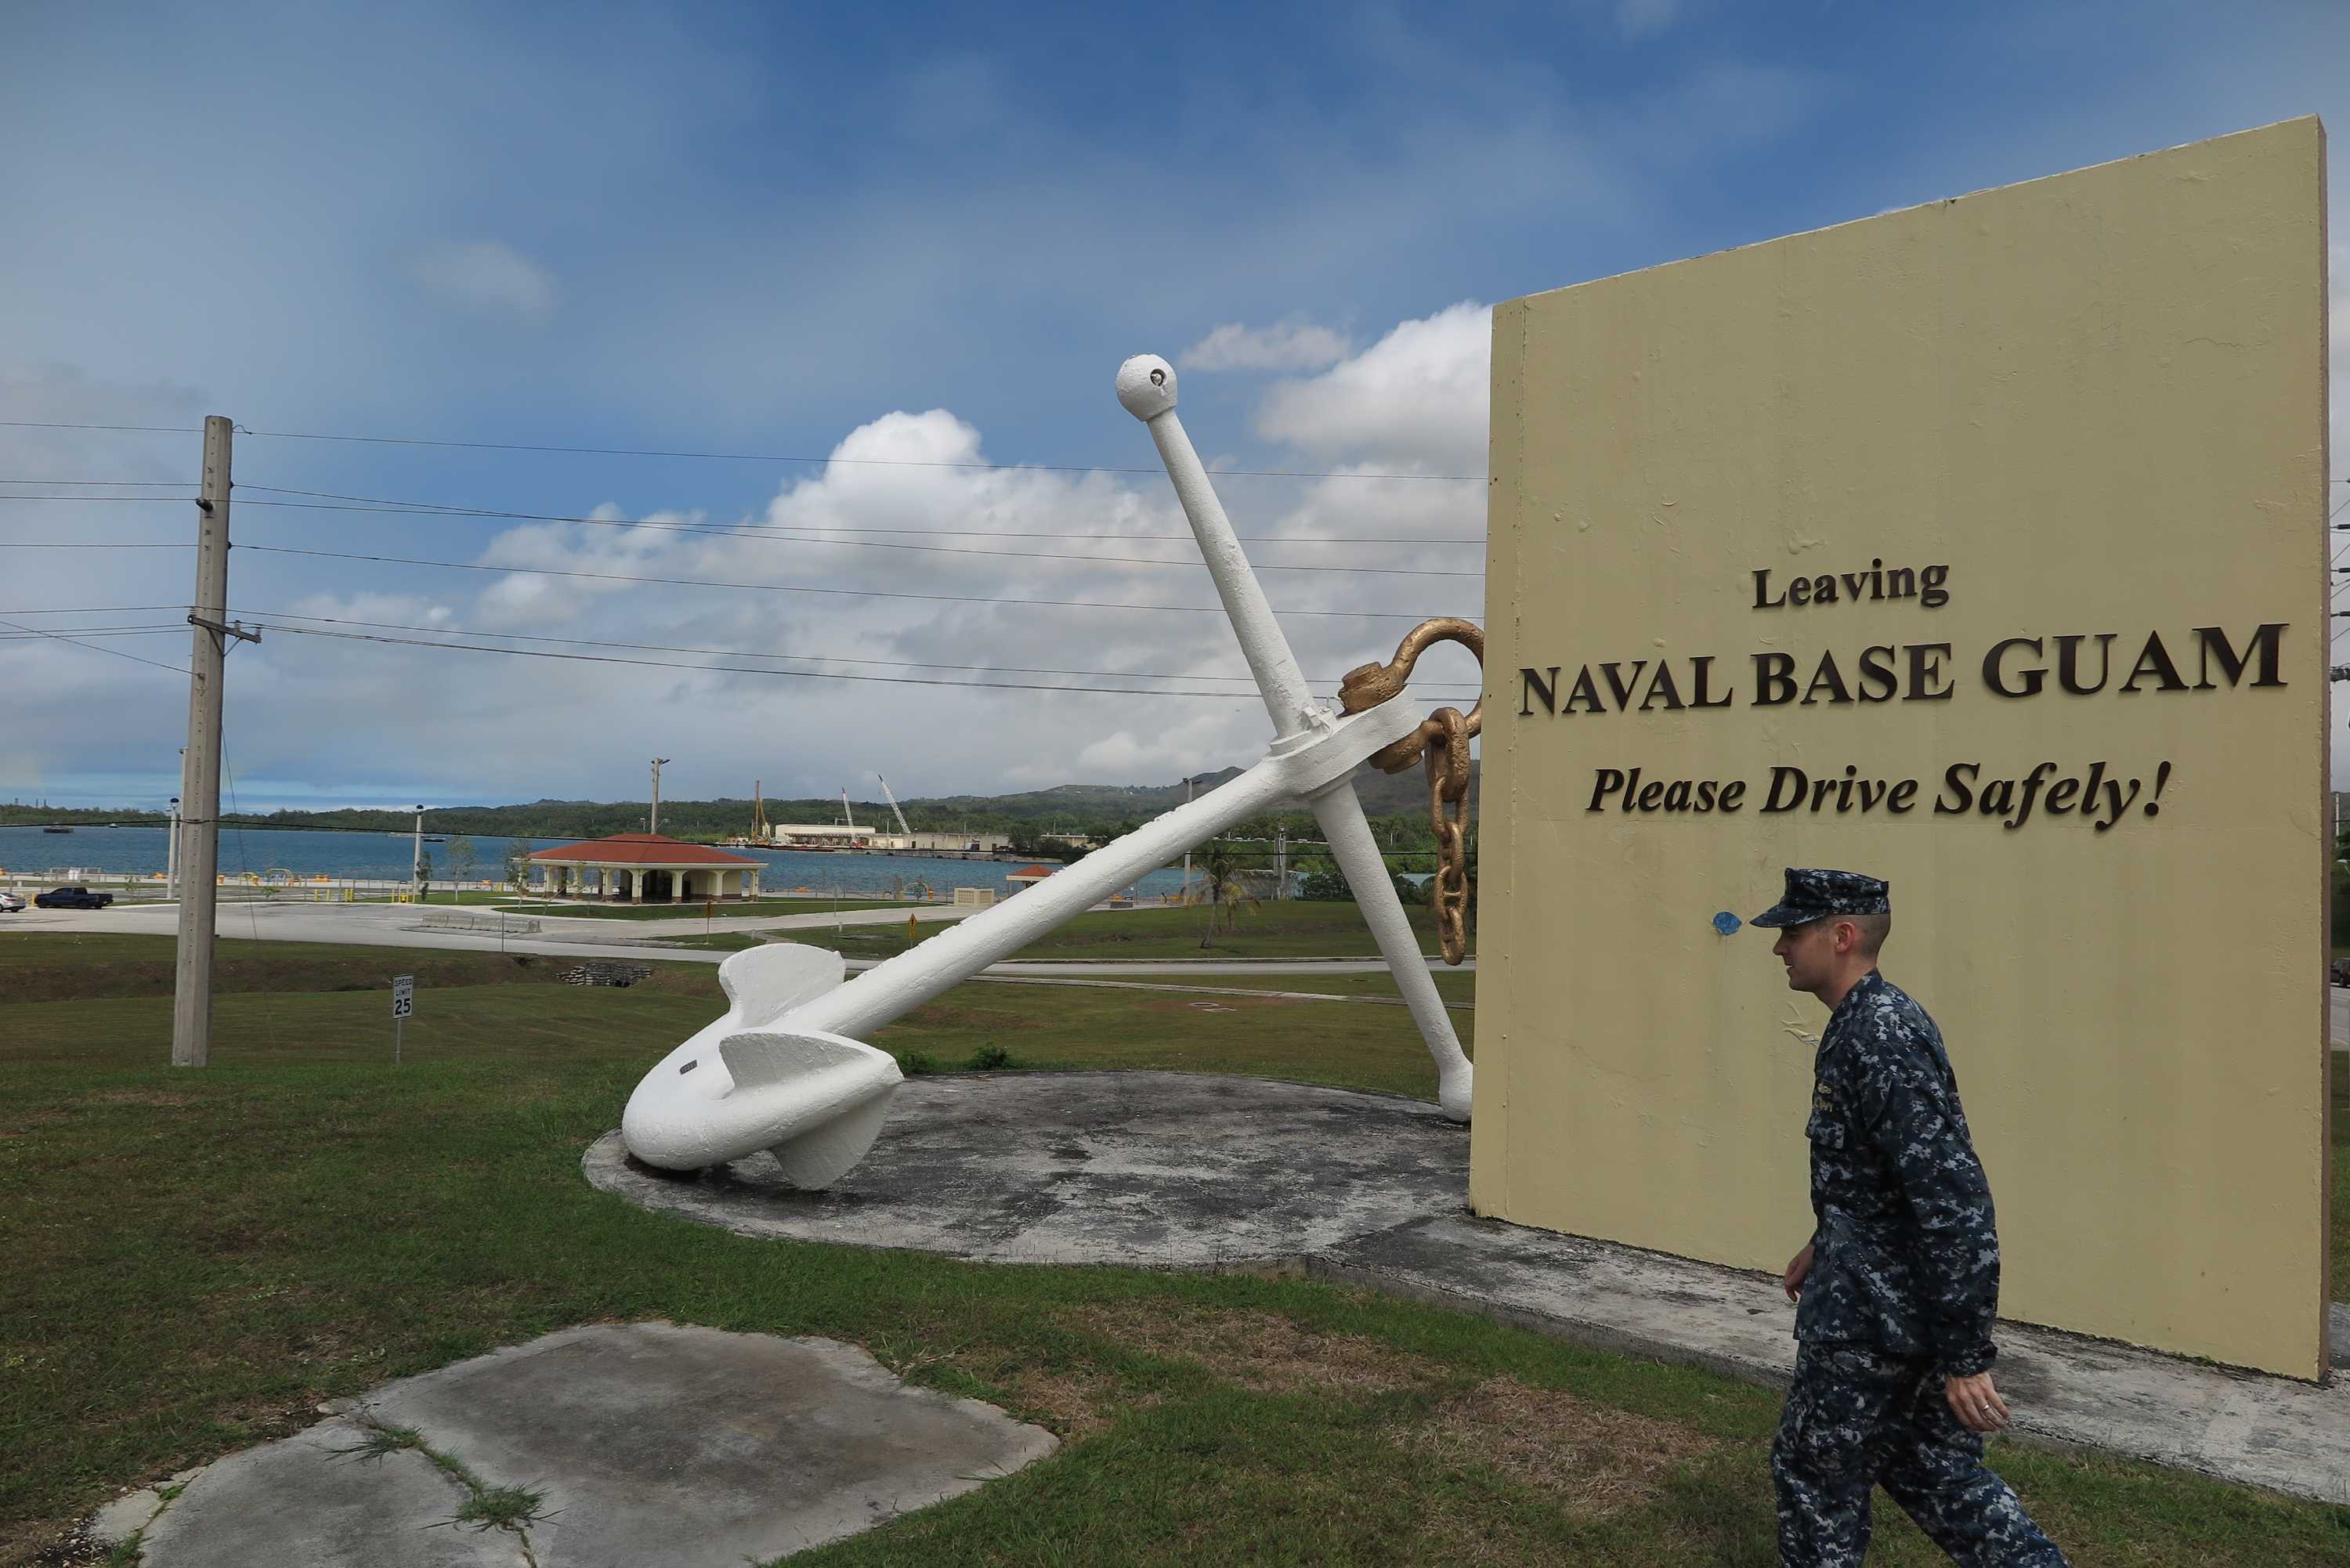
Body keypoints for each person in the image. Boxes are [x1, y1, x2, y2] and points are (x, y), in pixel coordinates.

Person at [1753, 868, 2067, 1568]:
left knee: (1815, 1475)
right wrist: (1825, 1241)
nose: (1779, 947)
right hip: (1885, 1303)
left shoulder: (1881, 1035)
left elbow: (1952, 1200)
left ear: (1842, 936)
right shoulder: (1864, 1024)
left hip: (1873, 1321)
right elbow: (1882, 1177)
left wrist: (1966, 1356)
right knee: (1934, 1471)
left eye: (1793, 932)